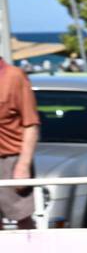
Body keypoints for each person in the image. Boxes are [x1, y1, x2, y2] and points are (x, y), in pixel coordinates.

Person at [0, 56, 40, 229]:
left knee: (23, 220)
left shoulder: (15, 77)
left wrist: (23, 165)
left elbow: (30, 124)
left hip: (11, 160)